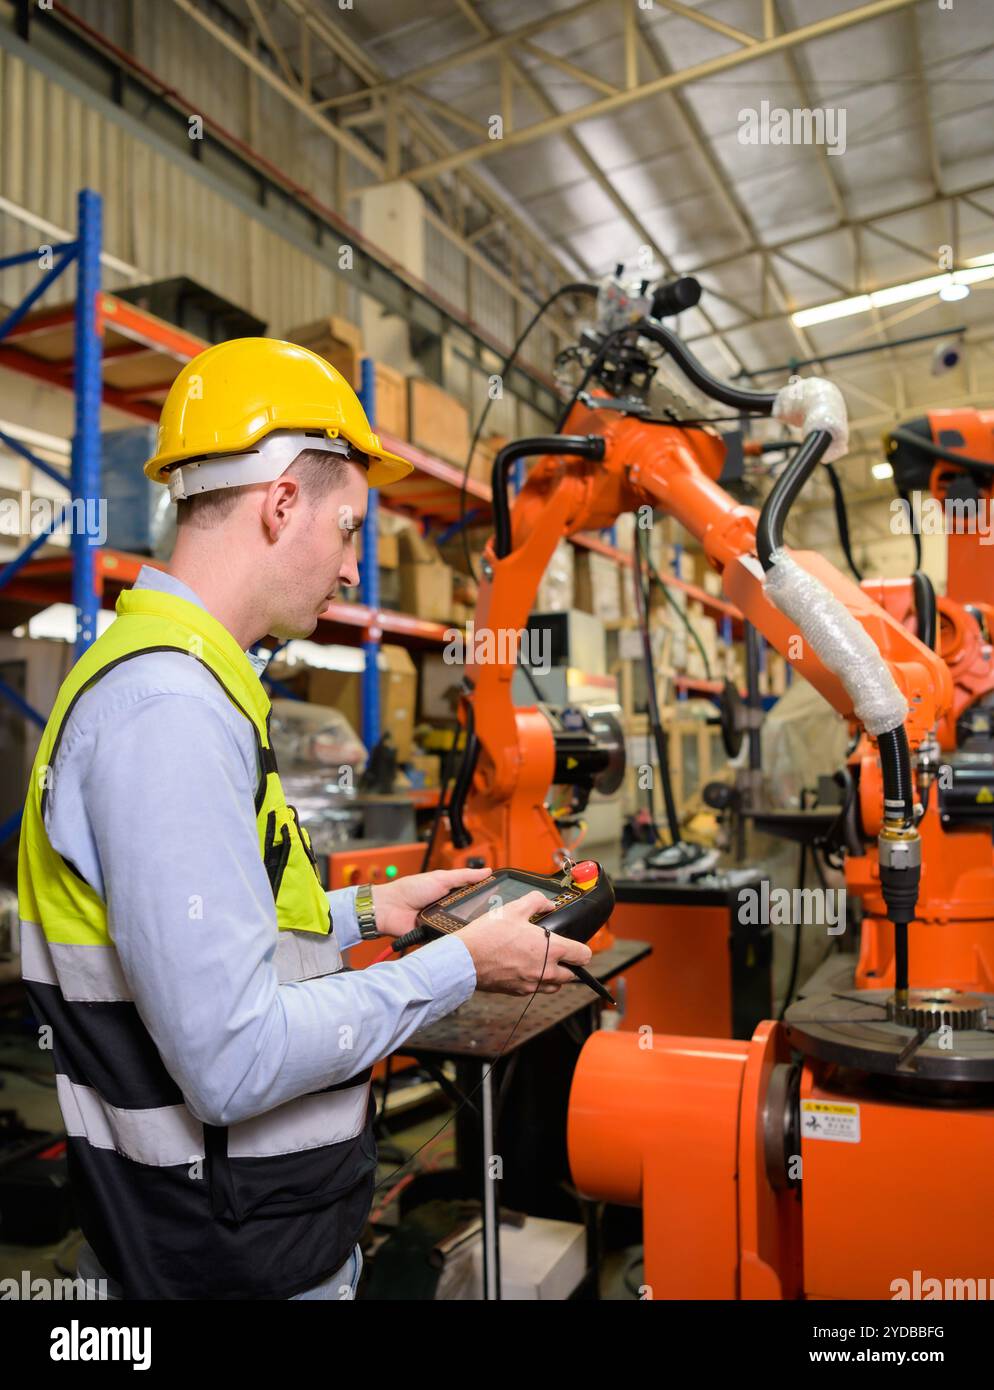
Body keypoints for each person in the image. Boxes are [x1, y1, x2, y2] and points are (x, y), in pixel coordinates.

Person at [17, 338, 592, 1300]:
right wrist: (458, 966)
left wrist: (373, 915)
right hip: (218, 1266)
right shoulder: (169, 713)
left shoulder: (186, 685)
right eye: (350, 527)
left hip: (245, 1239)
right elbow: (233, 1063)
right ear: (282, 502)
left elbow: (210, 935)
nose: (355, 568)